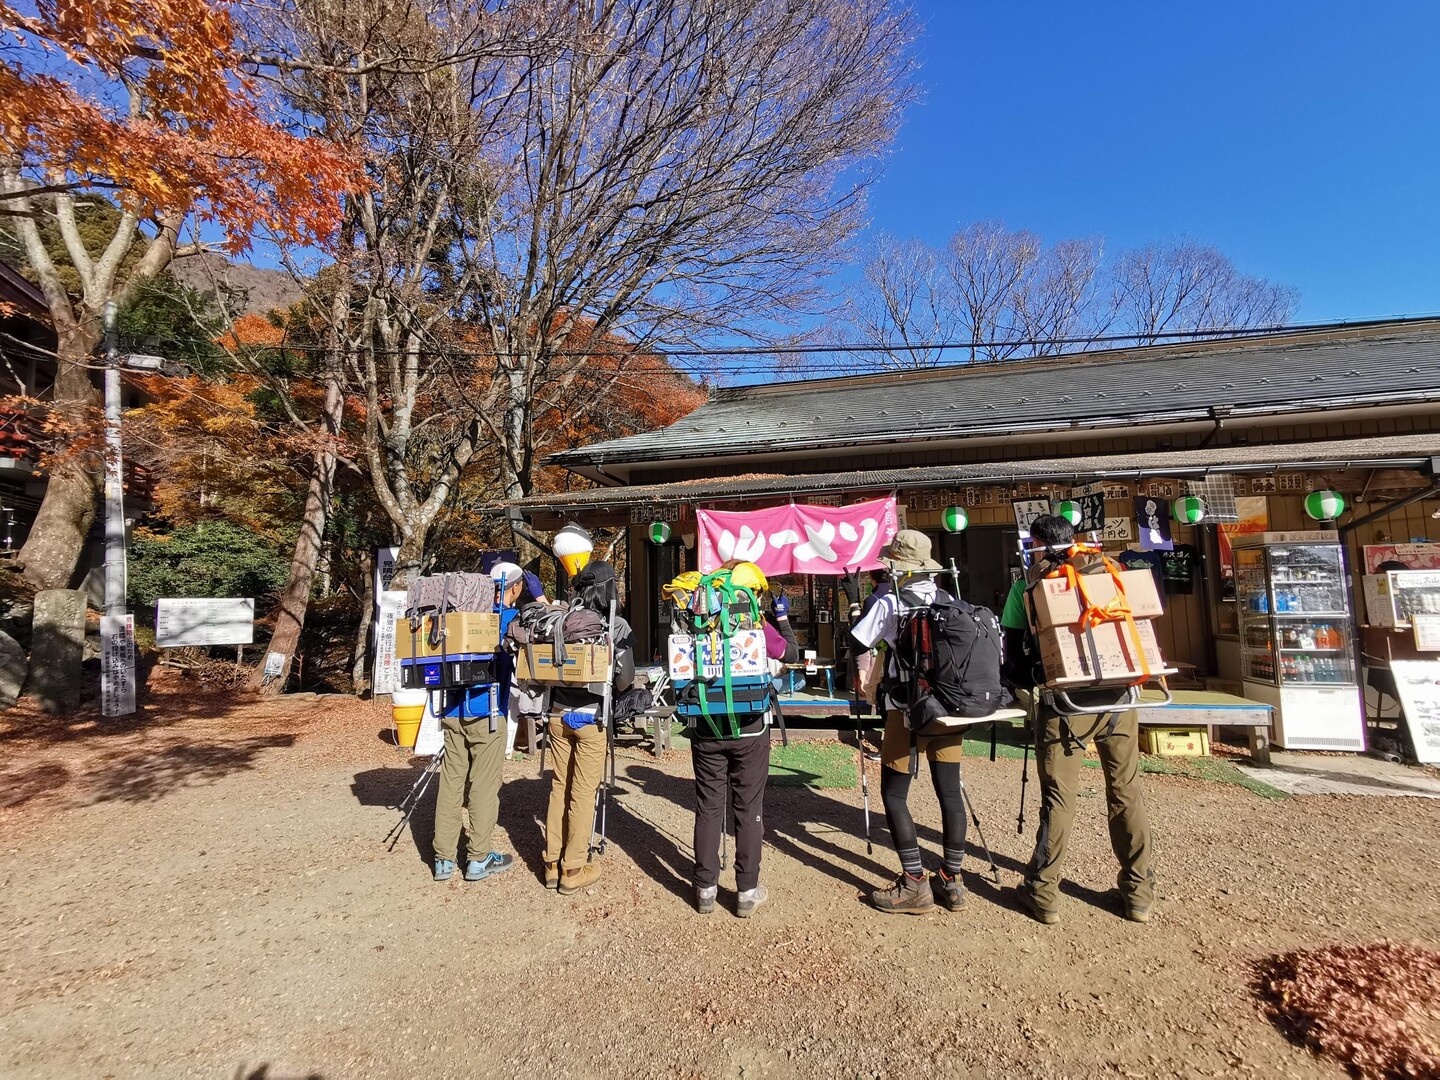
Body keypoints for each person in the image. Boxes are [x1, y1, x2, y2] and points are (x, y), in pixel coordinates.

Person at [998, 513, 1156, 925]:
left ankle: (1043, 893)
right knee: (1125, 792)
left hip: (1066, 703)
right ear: (1074, 539)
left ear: (1035, 544)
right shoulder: (1111, 572)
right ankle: (1138, 893)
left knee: (1058, 798)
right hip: (1121, 696)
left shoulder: (1027, 586)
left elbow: (1014, 661)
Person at [846, 530, 970, 915]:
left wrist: (855, 606)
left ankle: (914, 882)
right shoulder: (949, 598)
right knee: (949, 791)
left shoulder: (889, 601)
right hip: (949, 707)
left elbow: (857, 643)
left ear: (897, 565)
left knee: (895, 793)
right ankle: (952, 879)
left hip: (906, 706)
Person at [683, 561, 799, 917]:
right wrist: (781, 618)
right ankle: (746, 890)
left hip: (705, 726)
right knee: (748, 810)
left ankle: (705, 888)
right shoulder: (756, 624)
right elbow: (790, 654)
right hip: (750, 727)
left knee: (708, 806)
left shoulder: (697, 619)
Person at [542, 560, 635, 895]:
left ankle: (551, 862)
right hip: (590, 718)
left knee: (558, 788)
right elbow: (624, 680)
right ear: (611, 588)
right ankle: (573, 867)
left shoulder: (561, 618)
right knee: (583, 793)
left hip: (555, 716)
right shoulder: (616, 625)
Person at [431, 562, 525, 883]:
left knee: (451, 782)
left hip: (451, 711)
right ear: (514, 587)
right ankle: (478, 858)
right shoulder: (507, 617)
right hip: (487, 715)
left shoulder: (460, 615)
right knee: (484, 786)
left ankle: (443, 859)